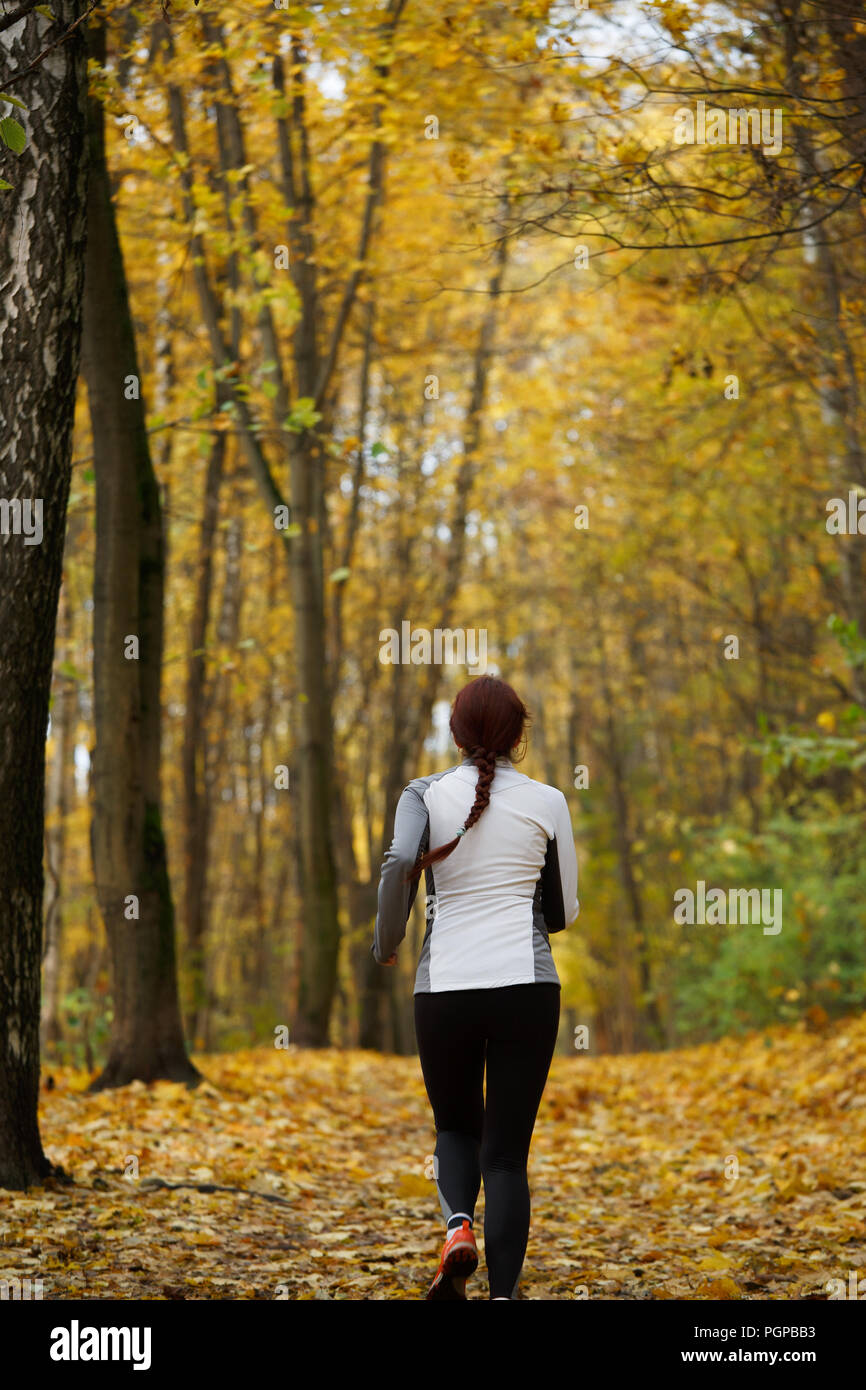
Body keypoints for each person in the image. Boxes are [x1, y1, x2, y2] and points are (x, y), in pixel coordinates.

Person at [371, 674, 579, 1300]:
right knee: (507, 1155)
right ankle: (504, 1295)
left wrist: (387, 940)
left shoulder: (423, 794)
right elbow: (564, 910)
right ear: (519, 737)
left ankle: (458, 1228)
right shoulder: (549, 801)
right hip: (526, 988)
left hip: (446, 991)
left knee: (456, 1127)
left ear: (455, 734)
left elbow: (401, 860)